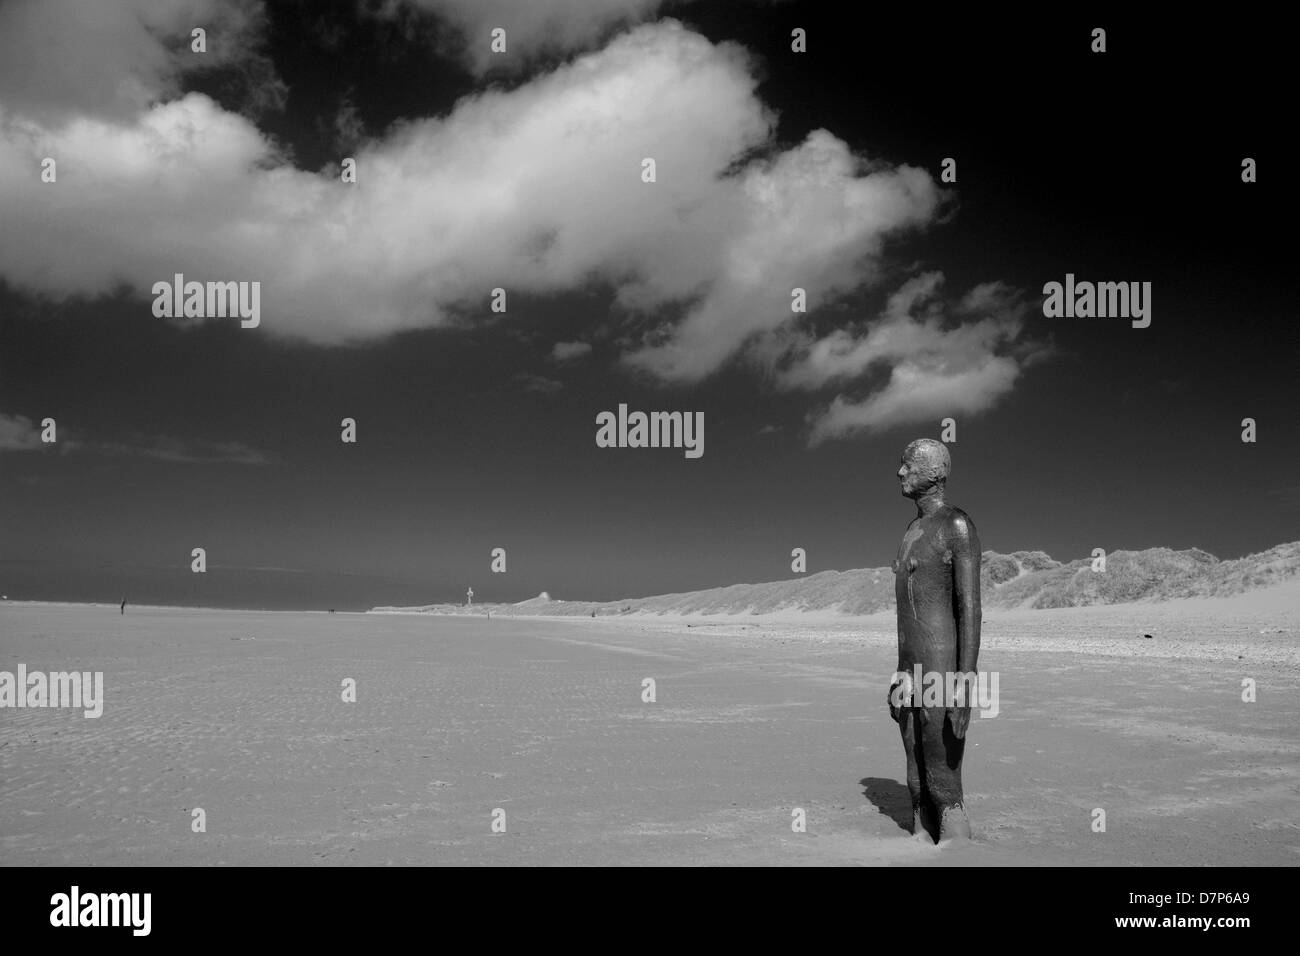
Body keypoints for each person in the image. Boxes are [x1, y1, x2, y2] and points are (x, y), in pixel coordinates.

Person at [887, 438, 981, 842]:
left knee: (942, 767)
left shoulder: (956, 525)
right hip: (908, 665)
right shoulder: (911, 531)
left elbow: (970, 609)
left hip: (942, 665)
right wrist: (897, 671)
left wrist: (965, 682)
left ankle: (958, 846)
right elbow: (905, 613)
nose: (900, 471)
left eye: (909, 464)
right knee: (913, 763)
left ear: (936, 473)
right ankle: (920, 835)